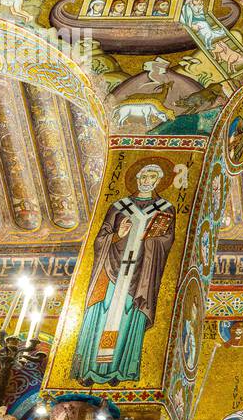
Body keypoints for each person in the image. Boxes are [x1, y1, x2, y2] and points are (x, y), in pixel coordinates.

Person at [70, 161, 175, 385]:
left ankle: (120, 370)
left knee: (129, 314)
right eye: (144, 177)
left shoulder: (165, 208)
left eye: (152, 178)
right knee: (102, 311)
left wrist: (151, 239)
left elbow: (167, 241)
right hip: (111, 270)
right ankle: (89, 369)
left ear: (158, 182)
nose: (147, 181)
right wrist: (118, 234)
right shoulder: (119, 206)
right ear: (137, 179)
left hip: (141, 274)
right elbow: (101, 238)